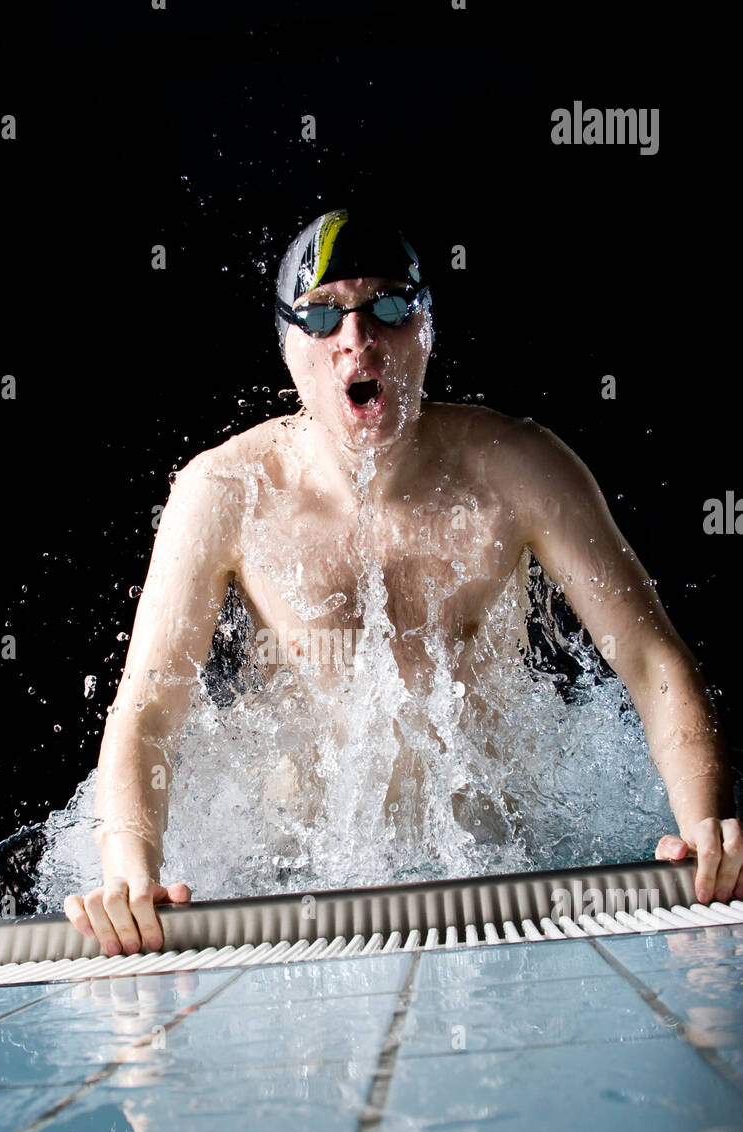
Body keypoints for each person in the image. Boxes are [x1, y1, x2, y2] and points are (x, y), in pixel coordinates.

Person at [63, 207, 742, 955]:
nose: (357, 338)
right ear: (289, 349)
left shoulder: (518, 469)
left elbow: (651, 662)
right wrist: (131, 873)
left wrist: (704, 825)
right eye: (323, 317)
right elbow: (150, 708)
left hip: (504, 859)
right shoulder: (227, 492)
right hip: (293, 872)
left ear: (425, 329)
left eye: (387, 305)